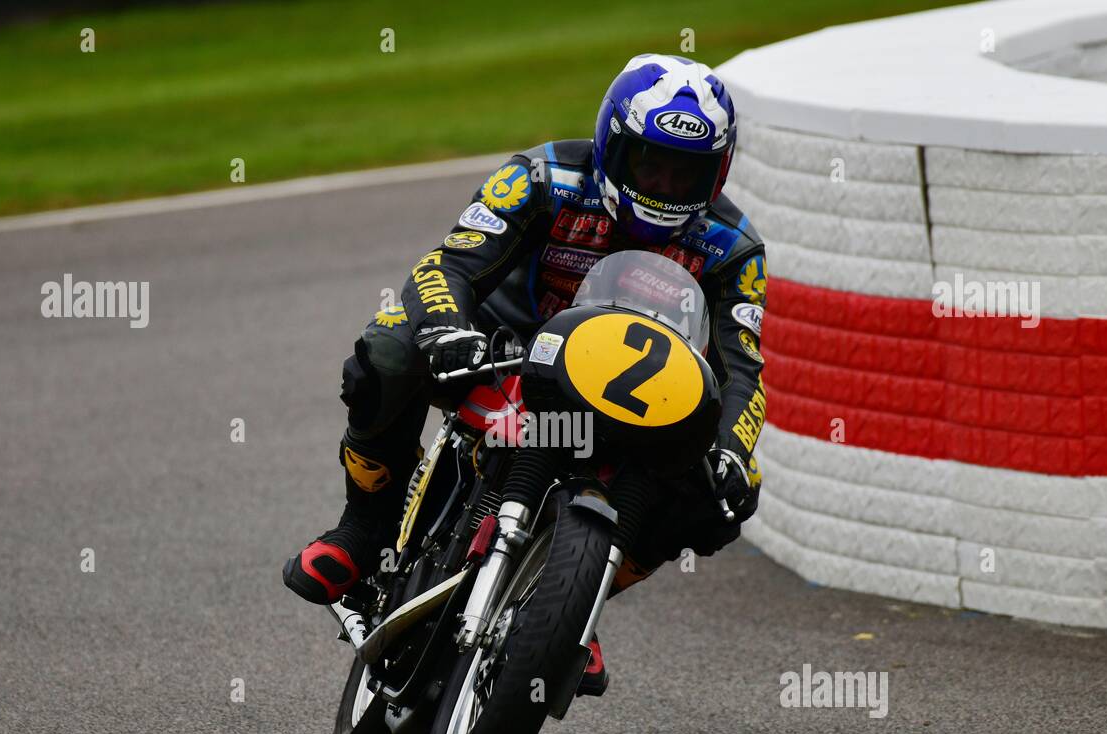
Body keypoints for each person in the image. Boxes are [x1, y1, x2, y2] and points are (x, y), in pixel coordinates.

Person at [284, 54, 768, 695]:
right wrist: (447, 331)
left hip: (628, 396)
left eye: (688, 172)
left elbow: (744, 367)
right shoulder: (541, 176)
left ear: (720, 171)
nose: (666, 183)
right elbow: (445, 264)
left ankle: (569, 600)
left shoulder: (735, 249)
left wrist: (732, 448)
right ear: (611, 144)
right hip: (499, 347)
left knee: (724, 495)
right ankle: (361, 528)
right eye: (650, 163)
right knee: (389, 352)